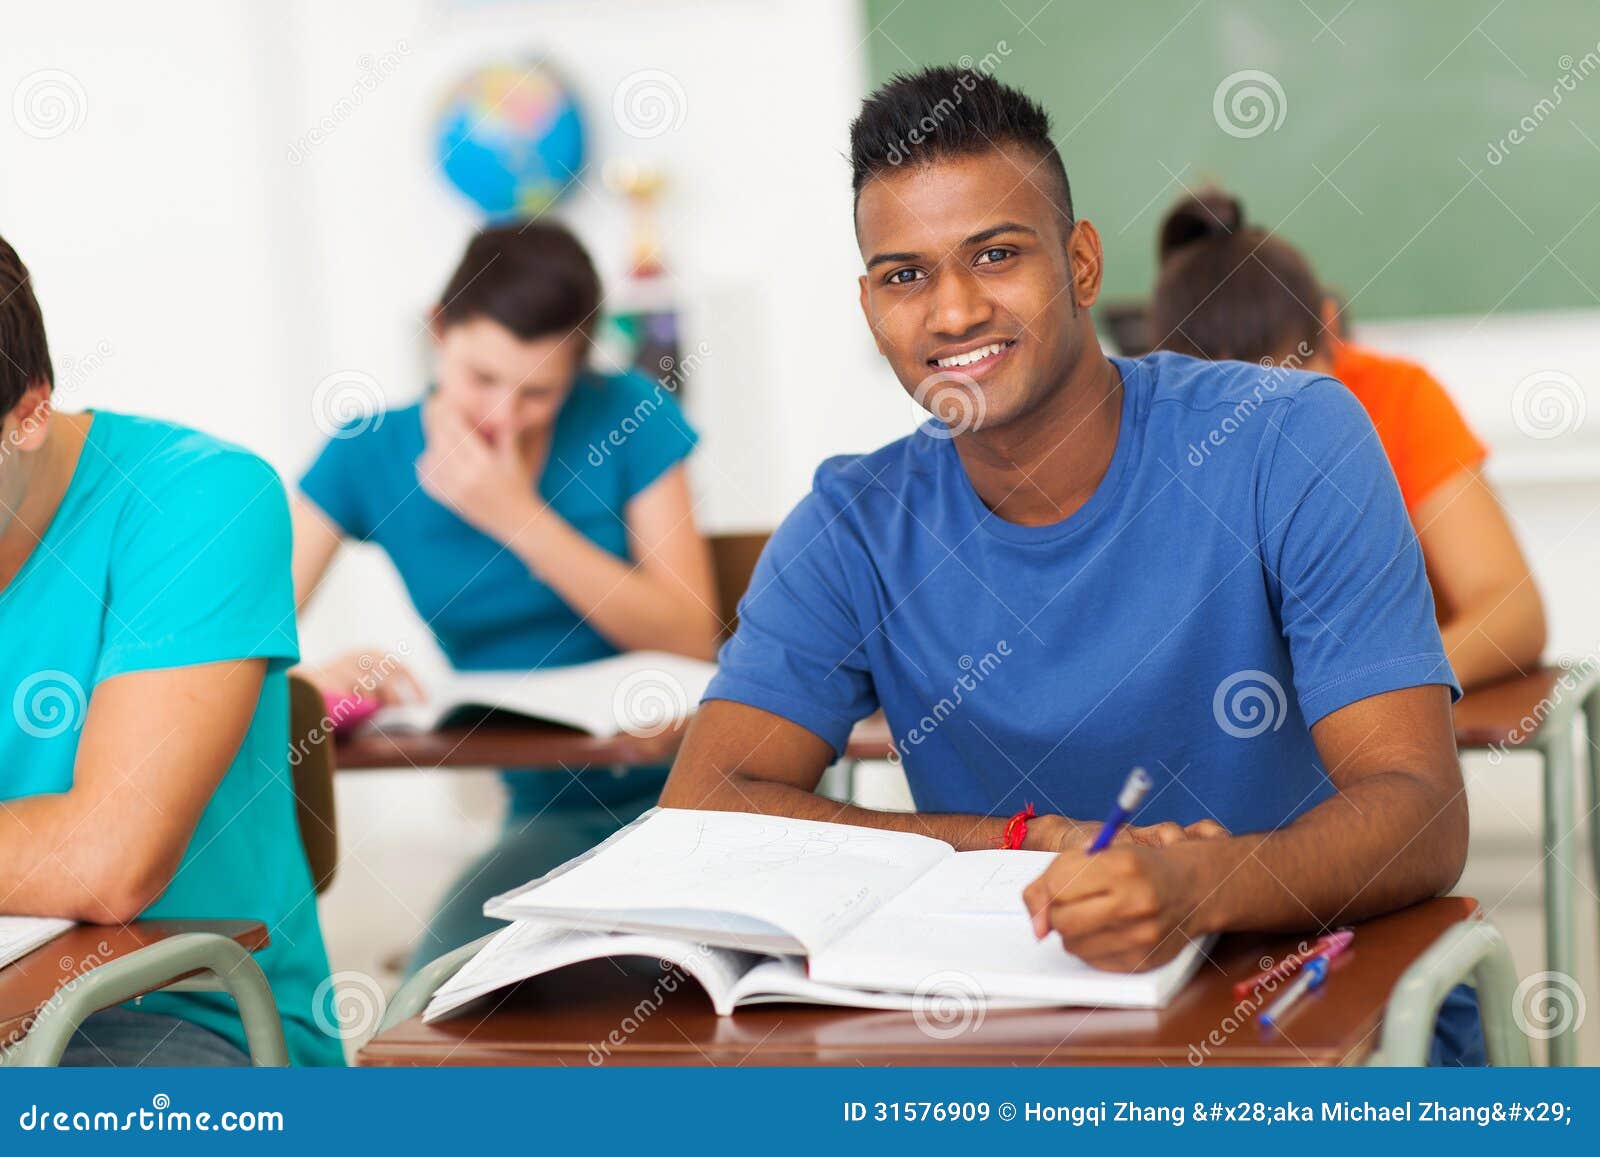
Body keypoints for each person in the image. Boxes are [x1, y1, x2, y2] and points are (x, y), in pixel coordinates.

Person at [660, 67, 1482, 1064]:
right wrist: (1021, 840)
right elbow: (706, 804)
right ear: (871, 303)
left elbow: (1420, 812)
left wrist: (1199, 884)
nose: (953, 311)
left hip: (1320, 1019)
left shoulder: (1287, 438)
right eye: (904, 274)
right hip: (1027, 1027)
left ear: (1081, 263)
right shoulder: (853, 521)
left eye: (995, 254)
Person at [293, 222, 717, 973]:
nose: (503, 415)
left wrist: (516, 514)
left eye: (540, 392)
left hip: (695, 792)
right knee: (432, 997)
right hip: (548, 816)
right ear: (438, 331)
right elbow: (237, 634)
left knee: (674, 988)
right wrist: (303, 680)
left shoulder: (630, 413)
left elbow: (690, 635)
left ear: (581, 367)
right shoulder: (367, 453)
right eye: (482, 379)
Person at [0, 234, 340, 1066]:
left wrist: (70, 850)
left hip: (168, 1013)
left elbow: (108, 862)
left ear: (28, 412)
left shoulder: (201, 499)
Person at [1148, 189, 1546, 690]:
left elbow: (1513, 613)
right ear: (1177, 384)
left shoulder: (1400, 399)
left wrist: (1375, 688)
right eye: (1238, 410)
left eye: (1290, 391)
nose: (1272, 432)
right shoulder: (1160, 434)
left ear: (1331, 329)